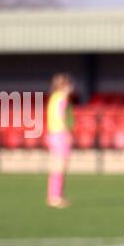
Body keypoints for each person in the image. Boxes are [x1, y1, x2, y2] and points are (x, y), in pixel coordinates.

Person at [45, 73, 74, 208]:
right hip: (59, 134)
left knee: (56, 166)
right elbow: (60, 116)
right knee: (60, 166)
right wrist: (66, 132)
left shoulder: (53, 97)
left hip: (52, 134)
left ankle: (53, 195)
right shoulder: (61, 98)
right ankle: (56, 197)